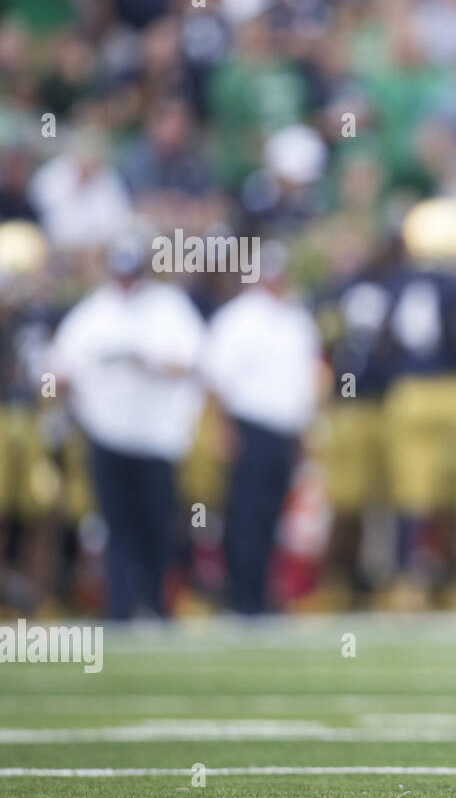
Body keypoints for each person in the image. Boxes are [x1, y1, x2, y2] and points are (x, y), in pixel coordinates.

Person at [47, 235, 205, 618]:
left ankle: (156, 604)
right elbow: (54, 374)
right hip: (107, 433)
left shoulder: (169, 307)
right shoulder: (92, 314)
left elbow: (194, 362)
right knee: (116, 525)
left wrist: (146, 362)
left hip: (158, 437)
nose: (127, 283)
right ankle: (119, 608)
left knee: (158, 523)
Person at [203, 249, 321, 614]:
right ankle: (241, 595)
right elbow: (216, 378)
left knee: (272, 516)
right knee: (245, 514)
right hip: (249, 426)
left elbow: (305, 382)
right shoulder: (237, 318)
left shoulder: (297, 320)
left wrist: (303, 435)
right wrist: (222, 427)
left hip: (285, 431)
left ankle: (263, 593)